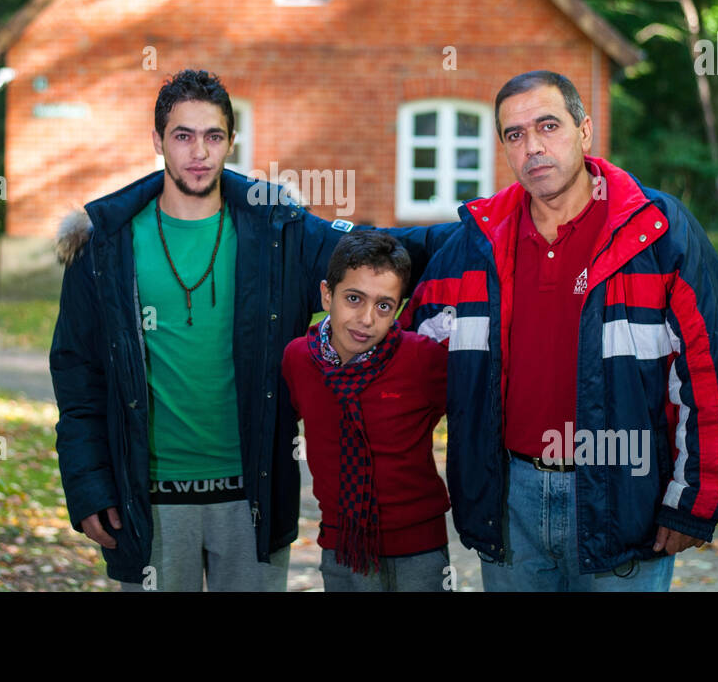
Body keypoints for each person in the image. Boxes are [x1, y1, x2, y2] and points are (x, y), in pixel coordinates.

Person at [50, 68, 455, 591]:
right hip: (148, 498)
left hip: (252, 496)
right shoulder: (106, 244)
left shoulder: (275, 229)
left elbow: (380, 249)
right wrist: (88, 485)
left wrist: (486, 226)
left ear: (230, 142)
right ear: (158, 141)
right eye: (183, 135)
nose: (199, 152)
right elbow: (76, 373)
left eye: (213, 136)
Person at [400, 70, 718, 591]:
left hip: (623, 495)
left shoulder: (655, 232)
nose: (533, 147)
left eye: (548, 126)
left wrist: (695, 501)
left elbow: (708, 369)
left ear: (584, 131)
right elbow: (403, 353)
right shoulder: (477, 244)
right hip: (509, 500)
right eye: (515, 135)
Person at [282, 231, 451, 592]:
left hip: (418, 548)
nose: (366, 319)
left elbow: (475, 417)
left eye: (384, 306)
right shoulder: (299, 358)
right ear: (327, 294)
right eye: (354, 299)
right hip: (342, 545)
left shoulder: (421, 358)